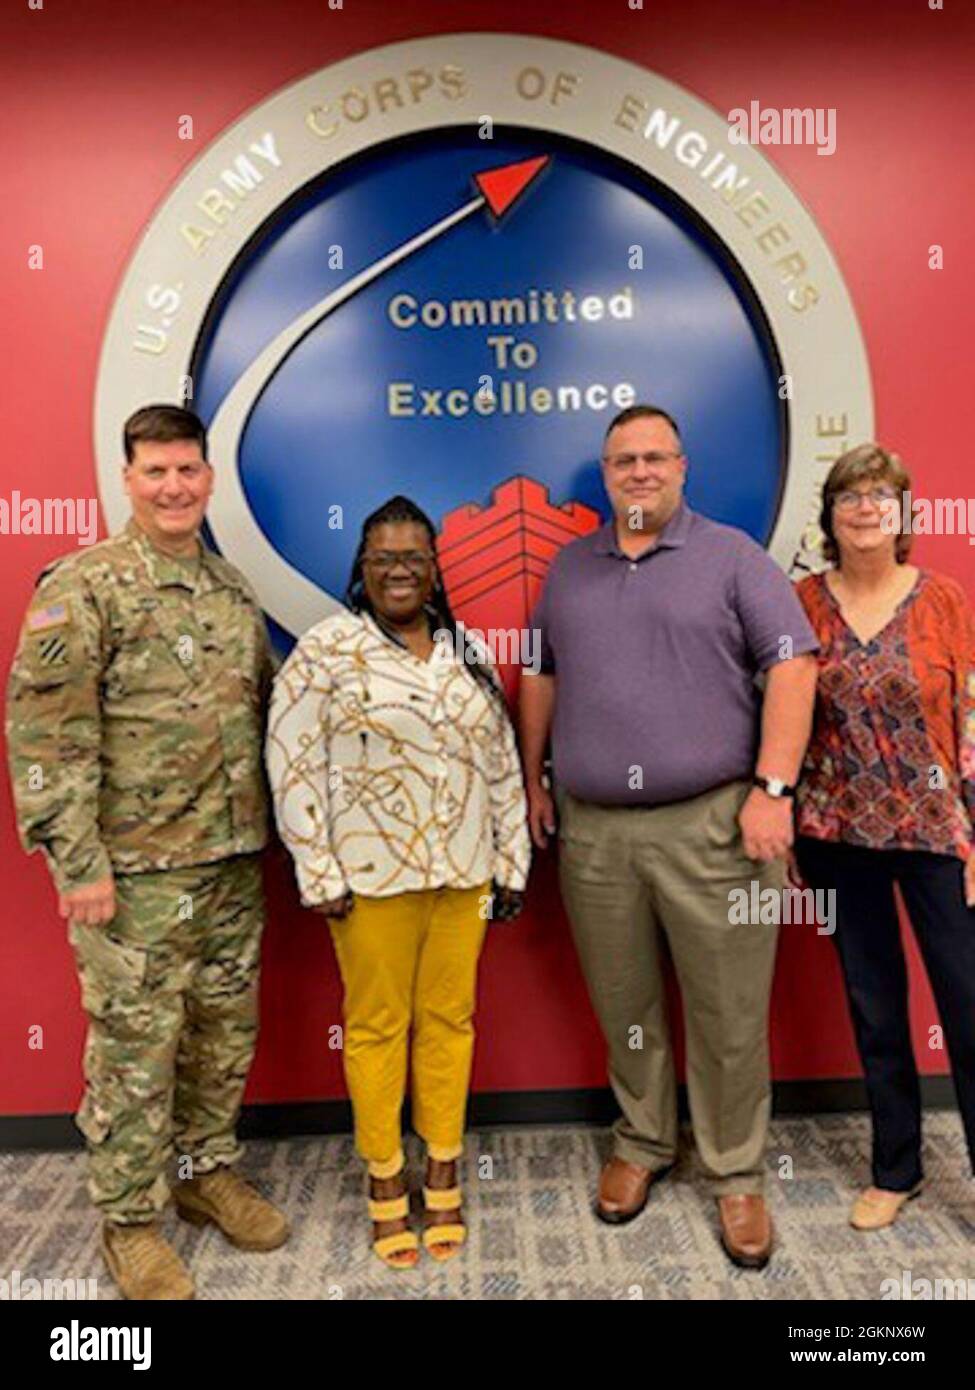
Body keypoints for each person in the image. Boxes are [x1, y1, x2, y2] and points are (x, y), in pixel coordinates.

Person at [520, 404, 819, 1268]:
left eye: (654, 457)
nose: (639, 472)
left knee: (728, 1015)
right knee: (628, 1009)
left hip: (714, 826)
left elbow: (792, 667)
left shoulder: (732, 557)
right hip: (596, 833)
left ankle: (734, 1172)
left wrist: (772, 788)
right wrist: (534, 777)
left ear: (682, 468)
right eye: (622, 460)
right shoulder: (570, 566)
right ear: (605, 474)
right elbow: (540, 673)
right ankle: (643, 1143)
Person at [6, 404, 288, 1301]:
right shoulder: (84, 586)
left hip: (233, 861)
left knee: (221, 1034)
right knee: (136, 1049)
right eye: (156, 472)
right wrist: (76, 862)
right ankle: (130, 1221)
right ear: (127, 479)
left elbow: (264, 717)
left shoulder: (230, 587)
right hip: (132, 875)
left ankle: (206, 1171)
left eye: (188, 470)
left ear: (209, 478)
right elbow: (46, 736)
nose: (174, 487)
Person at [267, 495, 530, 1269]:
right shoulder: (326, 651)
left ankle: (443, 1165)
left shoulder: (463, 650)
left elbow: (500, 760)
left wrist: (509, 861)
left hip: (461, 871)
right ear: (362, 566)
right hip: (368, 878)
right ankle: (385, 1177)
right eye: (384, 558)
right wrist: (316, 869)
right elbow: (291, 760)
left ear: (434, 565)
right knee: (378, 1028)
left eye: (414, 557)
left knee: (451, 1020)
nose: (400, 571)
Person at [792, 444, 975, 1230]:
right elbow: (783, 716)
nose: (864, 508)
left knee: (966, 1009)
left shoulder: (943, 599)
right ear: (829, 517)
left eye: (880, 495)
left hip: (938, 834)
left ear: (903, 512)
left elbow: (971, 715)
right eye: (848, 497)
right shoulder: (800, 602)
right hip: (836, 833)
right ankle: (894, 1167)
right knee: (873, 1005)